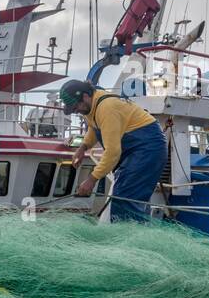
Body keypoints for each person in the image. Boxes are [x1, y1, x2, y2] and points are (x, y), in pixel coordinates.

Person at [60, 79, 167, 222]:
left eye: (76, 106)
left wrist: (92, 179)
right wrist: (83, 147)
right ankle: (137, 232)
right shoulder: (91, 105)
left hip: (148, 147)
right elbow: (94, 125)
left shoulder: (107, 108)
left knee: (124, 198)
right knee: (129, 196)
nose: (77, 111)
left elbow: (112, 152)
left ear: (85, 96)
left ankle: (128, 240)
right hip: (135, 149)